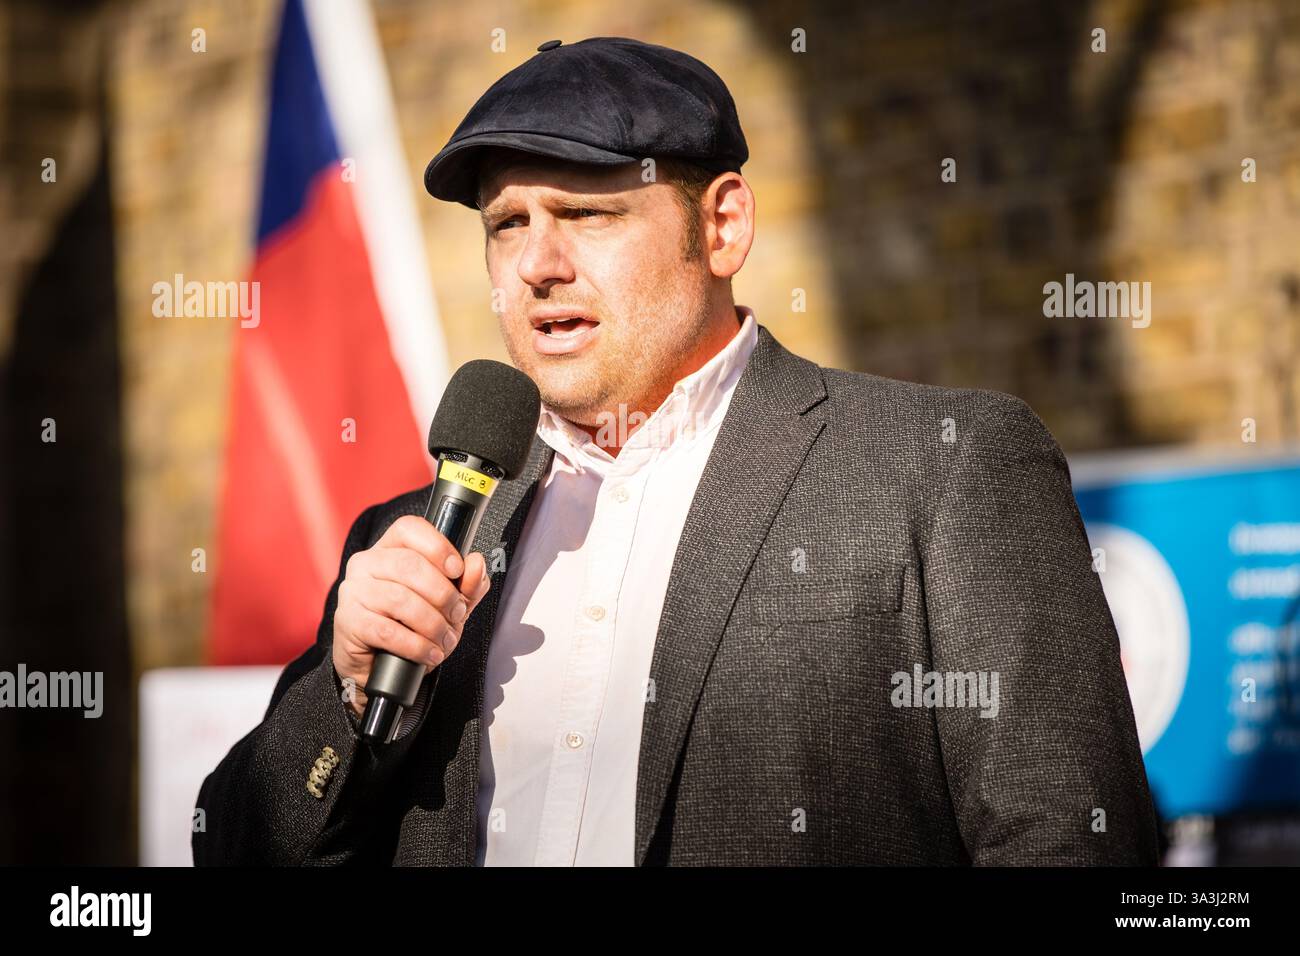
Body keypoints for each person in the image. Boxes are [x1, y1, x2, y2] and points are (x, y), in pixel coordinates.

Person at [194, 36, 1158, 866]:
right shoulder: (415, 537)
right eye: (506, 227)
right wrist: (351, 694)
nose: (537, 264)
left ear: (722, 224)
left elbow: (1071, 837)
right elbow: (234, 847)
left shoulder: (944, 468)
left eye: (586, 215)